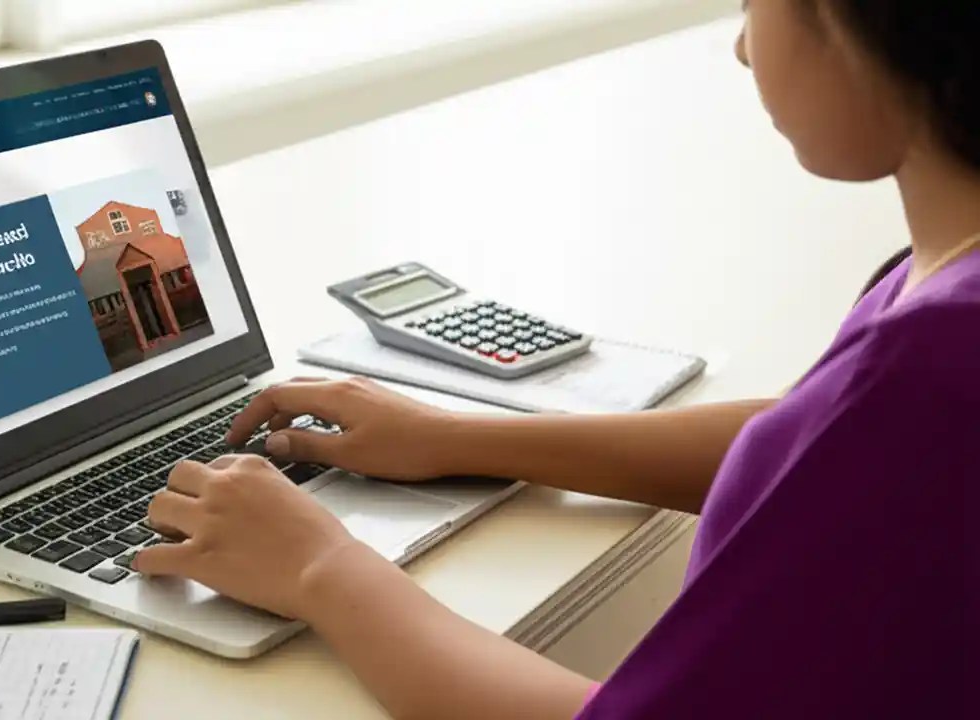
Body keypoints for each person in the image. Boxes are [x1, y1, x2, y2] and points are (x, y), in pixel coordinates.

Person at [135, 1, 974, 717]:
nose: (743, 44)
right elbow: (810, 442)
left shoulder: (929, 371)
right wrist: (461, 438)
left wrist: (320, 567)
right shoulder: (938, 288)